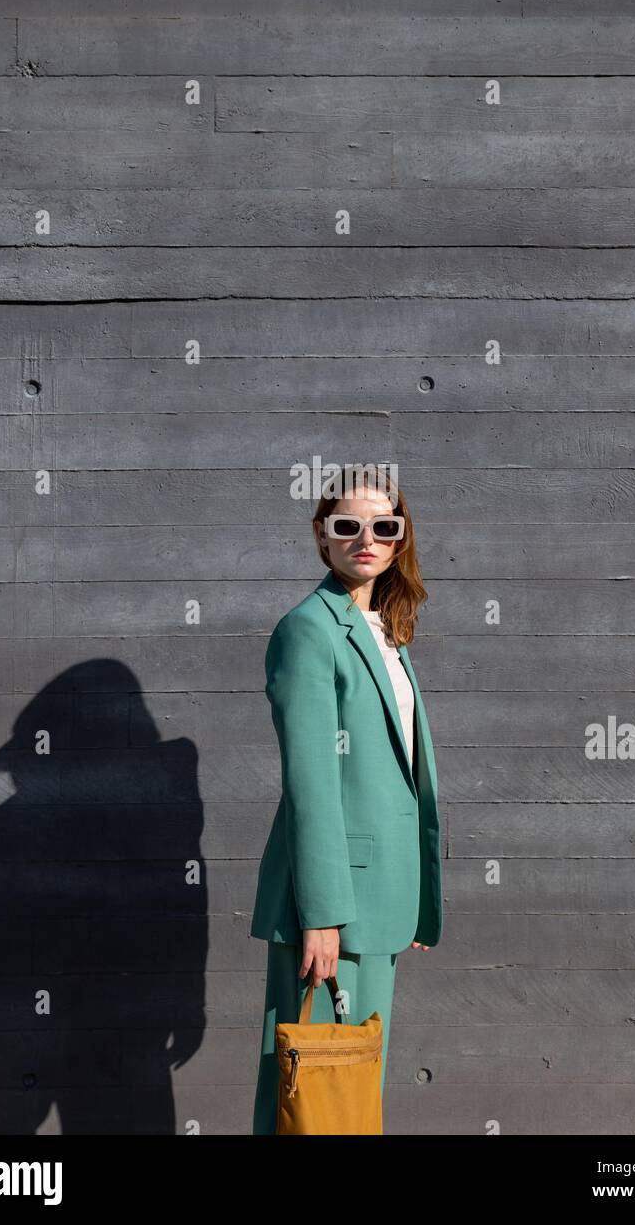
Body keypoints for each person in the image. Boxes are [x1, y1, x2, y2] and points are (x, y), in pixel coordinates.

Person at [249, 467, 443, 1134]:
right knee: (310, 1093)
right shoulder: (310, 630)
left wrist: (409, 894)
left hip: (377, 898)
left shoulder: (385, 630)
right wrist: (323, 914)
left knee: (349, 1091)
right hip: (335, 906)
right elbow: (312, 780)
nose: (367, 538)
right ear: (321, 537)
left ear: (399, 539)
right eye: (347, 526)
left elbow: (395, 774)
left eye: (384, 527)